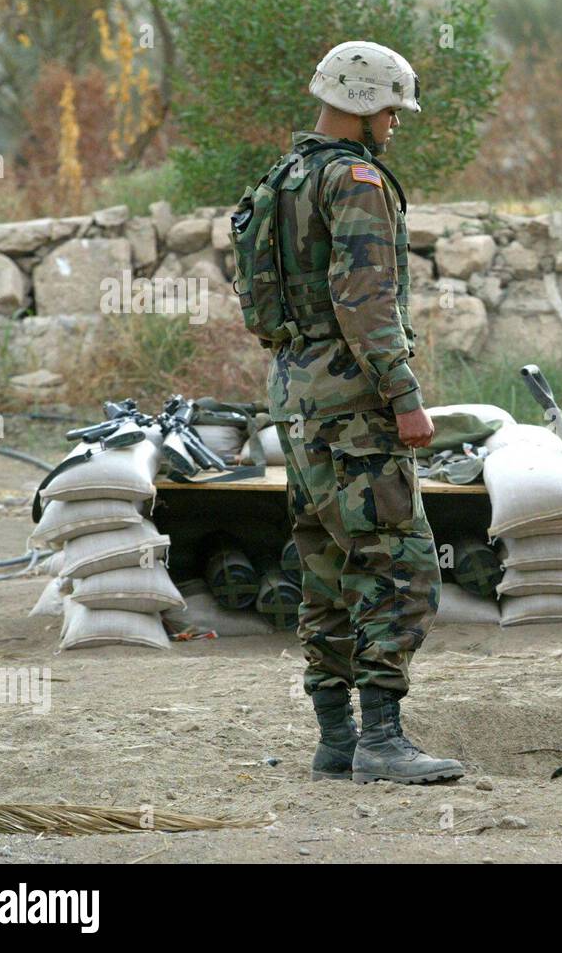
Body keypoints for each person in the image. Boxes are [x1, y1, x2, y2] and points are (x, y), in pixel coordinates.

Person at [247, 40, 463, 784]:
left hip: (296, 396)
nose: (397, 123)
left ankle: (336, 739)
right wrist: (404, 395)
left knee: (326, 563)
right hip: (354, 404)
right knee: (399, 564)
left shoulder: (285, 177)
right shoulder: (356, 180)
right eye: (393, 111)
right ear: (364, 105)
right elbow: (364, 298)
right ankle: (382, 741)